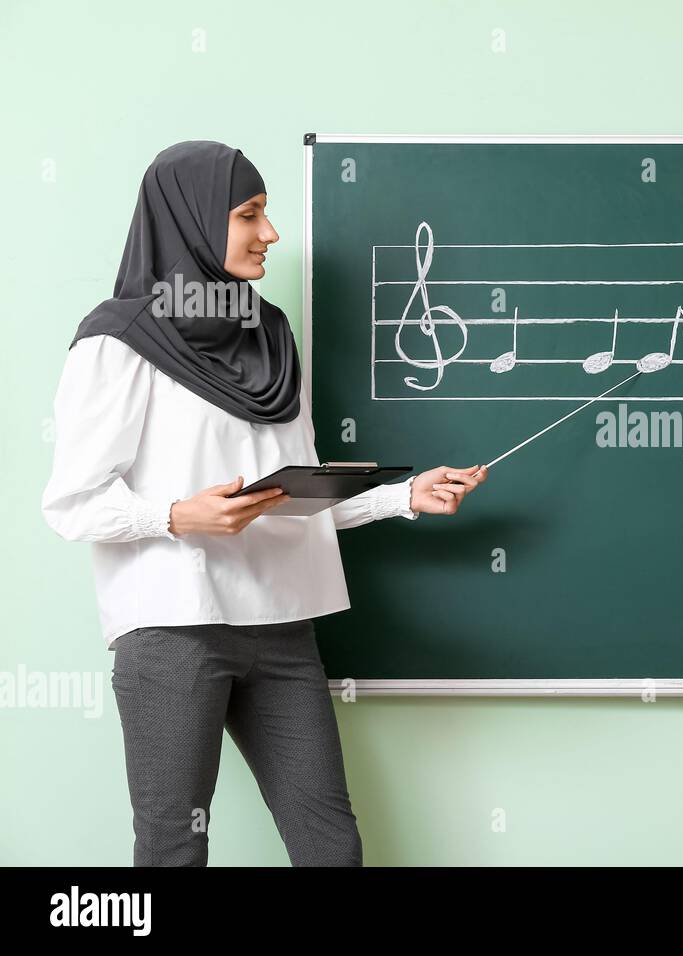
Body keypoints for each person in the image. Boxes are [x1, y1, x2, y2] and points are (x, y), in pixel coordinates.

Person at [41, 140, 487, 866]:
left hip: (282, 626)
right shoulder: (117, 342)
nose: (270, 234)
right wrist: (176, 516)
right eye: (249, 215)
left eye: (267, 213)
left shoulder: (273, 334)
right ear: (188, 222)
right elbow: (70, 503)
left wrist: (404, 495)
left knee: (330, 847)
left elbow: (292, 493)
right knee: (173, 851)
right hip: (174, 629)